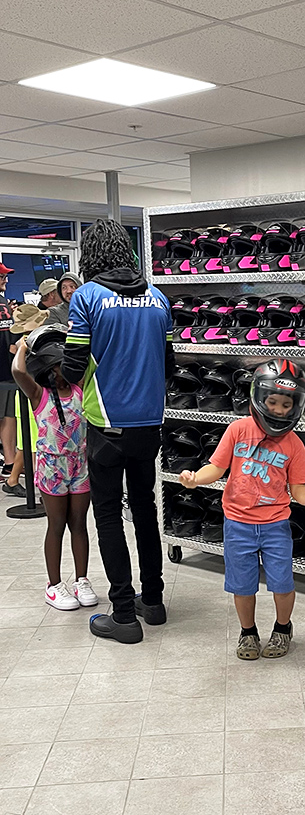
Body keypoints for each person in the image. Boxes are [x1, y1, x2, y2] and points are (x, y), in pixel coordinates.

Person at [61, 219, 174, 645]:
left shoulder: (87, 298)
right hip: (150, 422)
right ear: (125, 252)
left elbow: (73, 366)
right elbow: (169, 365)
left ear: (90, 256)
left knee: (108, 514)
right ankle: (154, 602)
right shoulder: (158, 296)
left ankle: (124, 614)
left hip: (106, 425)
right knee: (144, 508)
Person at [180, 359, 305, 659]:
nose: (279, 410)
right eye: (272, 402)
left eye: (286, 405)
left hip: (275, 525)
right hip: (238, 524)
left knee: (282, 583)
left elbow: (296, 488)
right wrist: (195, 479)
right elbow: (216, 468)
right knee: (242, 585)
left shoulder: (294, 444)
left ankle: (283, 628)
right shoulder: (237, 430)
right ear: (258, 398)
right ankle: (248, 632)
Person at [12, 326, 98, 611]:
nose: (68, 370)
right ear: (49, 369)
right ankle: (54, 585)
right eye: (62, 365)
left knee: (79, 524)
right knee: (57, 525)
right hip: (52, 467)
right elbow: (17, 372)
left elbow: (90, 361)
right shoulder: (39, 395)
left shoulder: (79, 388)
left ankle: (82, 580)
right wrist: (24, 344)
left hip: (80, 464)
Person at [2, 305, 47, 498]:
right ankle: (21, 481)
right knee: (33, 443)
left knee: (29, 442)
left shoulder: (24, 342)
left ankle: (16, 480)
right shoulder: (27, 344)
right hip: (30, 401)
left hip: (28, 399)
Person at [0, 263, 18, 481]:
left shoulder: (5, 301)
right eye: (2, 276)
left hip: (7, 370)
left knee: (9, 416)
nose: (5, 279)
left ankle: (10, 463)